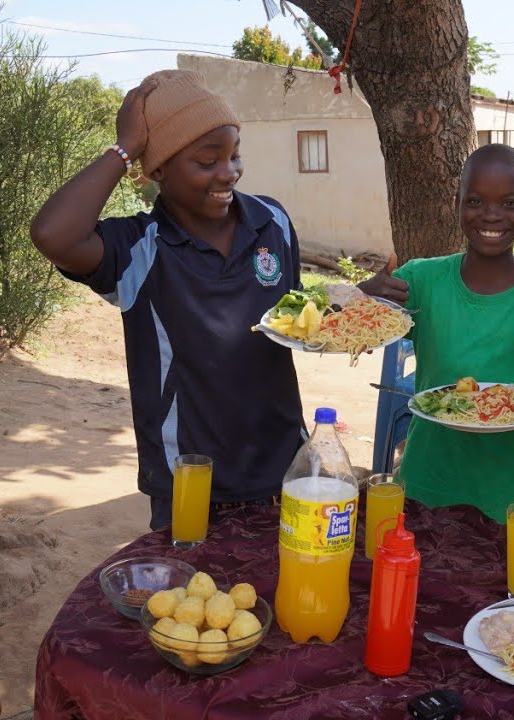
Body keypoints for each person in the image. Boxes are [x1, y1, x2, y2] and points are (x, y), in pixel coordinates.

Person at [29, 70, 306, 531]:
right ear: (157, 169)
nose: (228, 173)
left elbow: (296, 315)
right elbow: (53, 234)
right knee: (196, 598)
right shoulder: (138, 248)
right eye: (207, 161)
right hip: (189, 479)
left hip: (284, 464)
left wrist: (354, 301)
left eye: (235, 155)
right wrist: (125, 148)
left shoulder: (272, 221)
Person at [360, 144, 514, 522]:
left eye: (510, 203)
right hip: (425, 484)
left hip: (506, 496)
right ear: (458, 203)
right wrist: (364, 294)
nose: (491, 215)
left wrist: (502, 409)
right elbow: (345, 322)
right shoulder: (423, 280)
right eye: (476, 200)